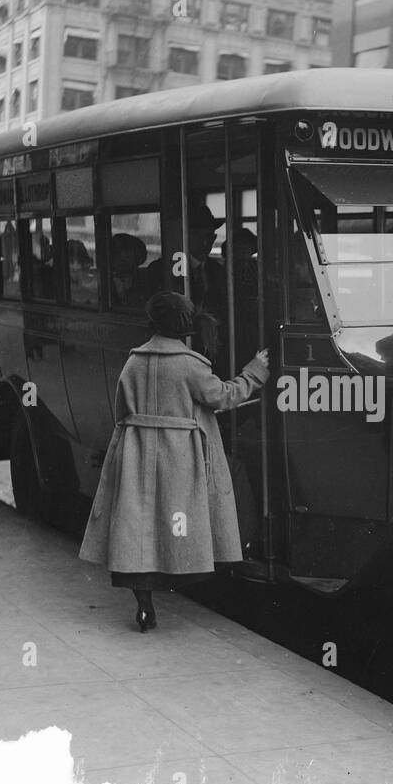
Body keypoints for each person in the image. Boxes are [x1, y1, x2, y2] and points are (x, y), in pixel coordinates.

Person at [78, 291, 269, 632]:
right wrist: (254, 372)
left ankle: (144, 605)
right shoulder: (191, 364)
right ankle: (212, 563)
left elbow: (122, 409)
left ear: (151, 323)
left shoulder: (133, 361)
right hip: (179, 454)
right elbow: (224, 396)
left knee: (139, 527)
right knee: (181, 520)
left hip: (135, 449)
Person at [109, 233, 151, 306]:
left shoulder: (146, 278)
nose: (122, 258)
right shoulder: (101, 280)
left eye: (128, 254)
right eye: (117, 253)